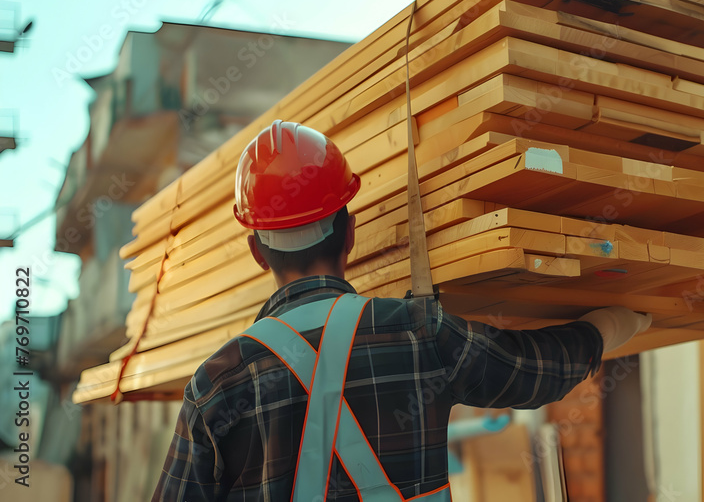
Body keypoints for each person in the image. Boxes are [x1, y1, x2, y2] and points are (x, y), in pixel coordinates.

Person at [153, 120, 652, 501]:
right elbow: (532, 371)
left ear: (257, 252)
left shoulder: (216, 386)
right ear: (349, 232)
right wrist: (609, 327)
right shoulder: (419, 335)